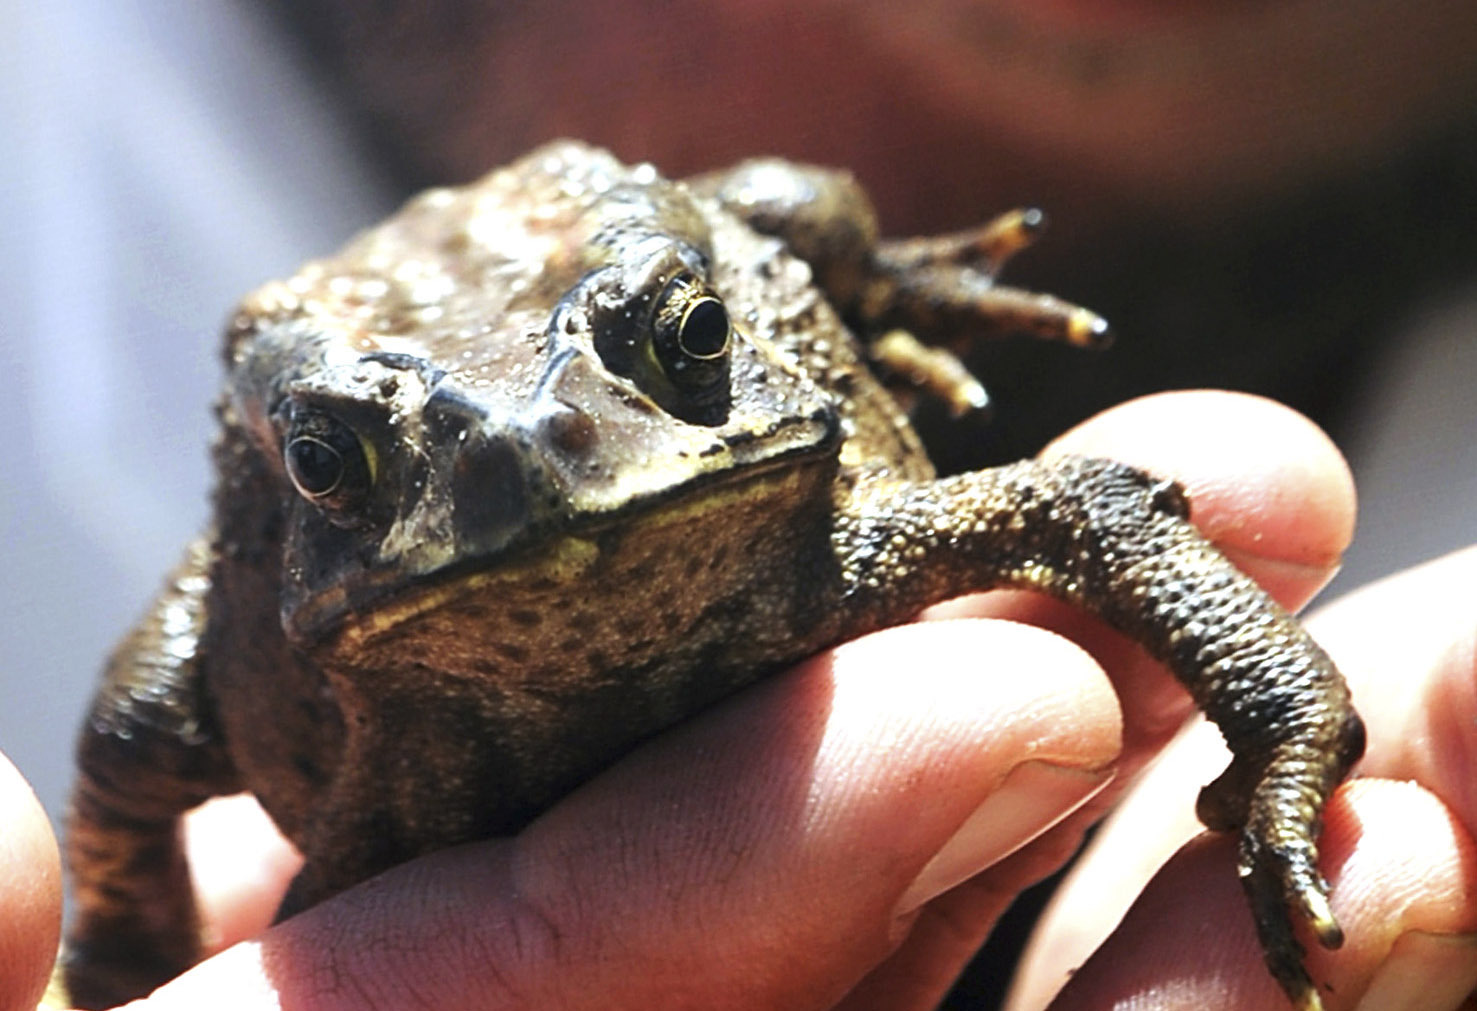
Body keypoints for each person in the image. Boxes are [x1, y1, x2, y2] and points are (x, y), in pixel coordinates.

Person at [7, 391, 1473, 1011]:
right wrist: (118, 962)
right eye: (334, 460)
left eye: (682, 345)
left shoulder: (826, 534)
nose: (542, 468)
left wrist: (1287, 732)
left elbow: (1088, 506)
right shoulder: (385, 728)